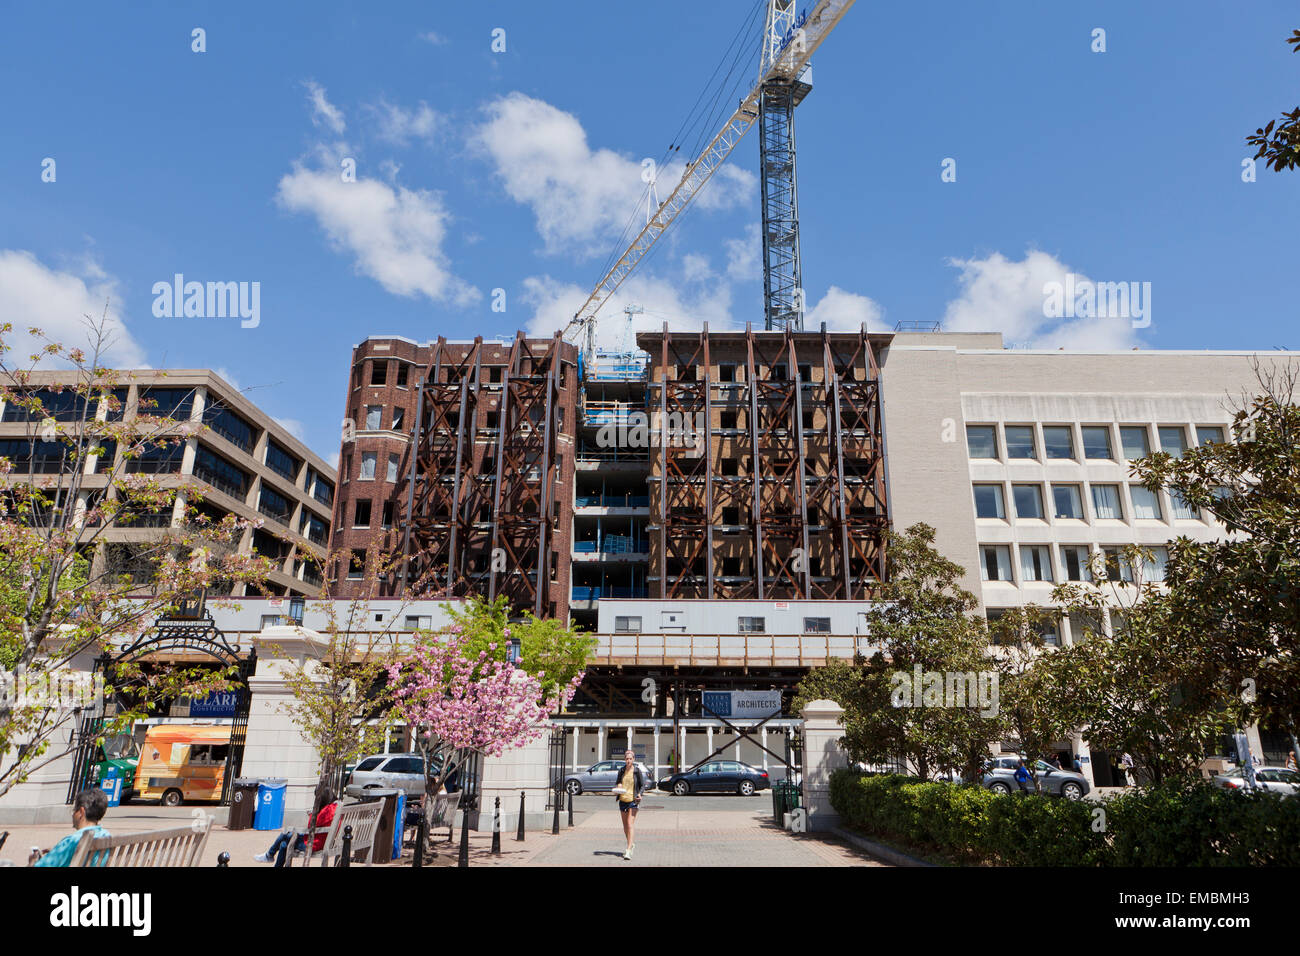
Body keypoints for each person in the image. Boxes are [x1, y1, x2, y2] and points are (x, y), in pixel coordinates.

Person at [254, 783, 337, 867]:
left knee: (286, 833)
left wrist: (313, 814)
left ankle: (269, 855)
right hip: (324, 840)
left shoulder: (326, 811)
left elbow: (310, 826)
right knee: (284, 844)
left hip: (314, 844)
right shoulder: (335, 807)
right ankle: (271, 857)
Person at [29, 788, 110, 867]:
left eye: (74, 810)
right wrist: (58, 852)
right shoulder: (106, 835)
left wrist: (32, 862)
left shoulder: (72, 841)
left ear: (81, 812)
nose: (73, 814)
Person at [614, 749, 644, 860]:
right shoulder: (621, 771)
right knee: (625, 826)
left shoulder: (637, 771)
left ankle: (628, 850)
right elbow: (618, 781)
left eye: (630, 759)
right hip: (623, 799)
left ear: (633, 759)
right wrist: (619, 785)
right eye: (627, 759)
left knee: (630, 824)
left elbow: (642, 785)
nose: (628, 761)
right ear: (624, 760)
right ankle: (631, 844)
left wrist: (640, 794)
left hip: (633, 800)